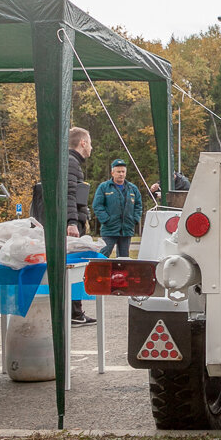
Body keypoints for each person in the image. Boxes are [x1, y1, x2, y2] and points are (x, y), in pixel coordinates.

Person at [67, 127, 96, 326]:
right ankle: (74, 313)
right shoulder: (71, 162)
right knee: (74, 266)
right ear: (83, 143)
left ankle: (75, 312)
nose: (92, 147)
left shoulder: (72, 162)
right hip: (72, 225)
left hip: (75, 221)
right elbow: (68, 193)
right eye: (90, 143)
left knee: (75, 266)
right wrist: (72, 222)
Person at [92, 158, 143, 259]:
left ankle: (121, 274)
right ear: (112, 173)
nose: (121, 174)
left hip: (126, 229)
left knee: (124, 258)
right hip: (109, 229)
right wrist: (106, 219)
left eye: (123, 171)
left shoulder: (132, 189)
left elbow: (138, 205)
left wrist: (135, 219)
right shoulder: (104, 187)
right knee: (103, 254)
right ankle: (98, 273)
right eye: (118, 171)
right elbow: (97, 205)